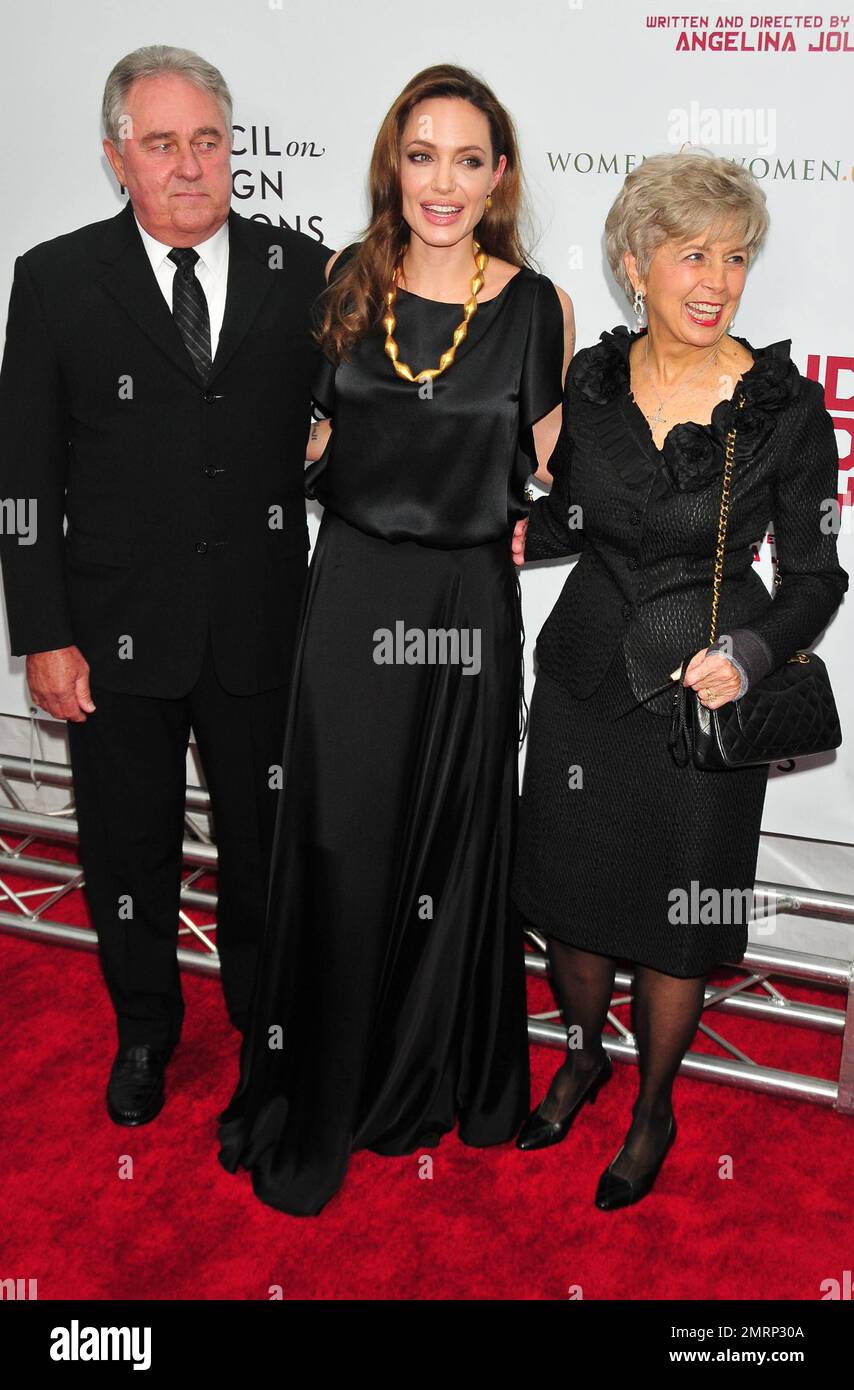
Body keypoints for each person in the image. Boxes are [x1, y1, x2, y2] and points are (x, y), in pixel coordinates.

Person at [217, 63, 575, 1216]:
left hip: (466, 605)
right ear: (392, 164)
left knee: (449, 842)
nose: (443, 180)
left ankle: (433, 1065)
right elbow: (308, 433)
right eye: (422, 154)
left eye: (468, 158)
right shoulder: (345, 279)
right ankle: (323, 1073)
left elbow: (551, 474)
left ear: (498, 176)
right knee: (336, 837)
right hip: (358, 592)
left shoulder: (534, 305)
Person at [0, 45, 334, 1126]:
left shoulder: (303, 271)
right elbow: (24, 479)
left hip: (262, 630)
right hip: (113, 636)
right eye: (161, 144)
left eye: (207, 141)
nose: (190, 165)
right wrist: (43, 633)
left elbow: (356, 432)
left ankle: (261, 1032)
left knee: (261, 847)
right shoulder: (53, 280)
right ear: (116, 158)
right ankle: (145, 1031)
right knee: (127, 850)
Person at [510, 150, 848, 1209]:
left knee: (677, 913)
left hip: (704, 688)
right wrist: (474, 511)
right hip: (582, 675)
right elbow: (571, 512)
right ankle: (579, 1052)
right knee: (565, 902)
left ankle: (653, 1103)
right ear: (633, 262)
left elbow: (813, 574)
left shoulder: (780, 408)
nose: (714, 279)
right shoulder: (592, 380)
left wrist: (746, 658)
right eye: (690, 253)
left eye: (734, 256)